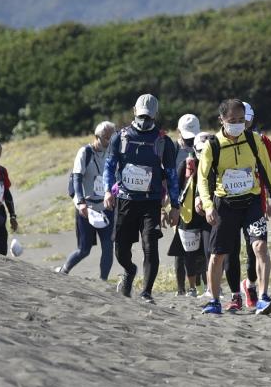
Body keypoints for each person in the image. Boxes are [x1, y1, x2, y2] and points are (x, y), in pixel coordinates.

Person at [197, 98, 271, 315]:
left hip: (251, 202)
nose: (237, 124)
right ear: (222, 120)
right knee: (218, 255)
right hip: (224, 204)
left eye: (241, 119)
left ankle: (263, 297)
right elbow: (203, 178)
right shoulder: (213, 146)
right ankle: (214, 300)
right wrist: (208, 206)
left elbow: (267, 170)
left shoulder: (255, 140)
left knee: (260, 248)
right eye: (232, 120)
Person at [103, 94, 180, 303]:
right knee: (120, 248)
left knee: (150, 245)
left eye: (149, 116)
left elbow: (172, 174)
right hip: (125, 200)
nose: (145, 119)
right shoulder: (120, 137)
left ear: (155, 115)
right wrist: (108, 191)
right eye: (142, 114)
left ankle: (146, 292)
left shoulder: (163, 141)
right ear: (134, 111)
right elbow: (109, 167)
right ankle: (129, 270)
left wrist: (175, 205)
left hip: (151, 202)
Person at [58, 121, 117, 279]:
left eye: (112, 138)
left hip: (105, 207)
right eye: (106, 138)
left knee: (108, 246)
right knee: (84, 250)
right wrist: (80, 203)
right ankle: (64, 271)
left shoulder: (112, 152)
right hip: (87, 209)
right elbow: (76, 178)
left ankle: (103, 281)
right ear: (97, 137)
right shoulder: (85, 152)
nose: (109, 142)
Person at [165, 114, 207, 295]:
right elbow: (166, 177)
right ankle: (182, 289)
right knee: (182, 248)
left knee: (202, 248)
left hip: (201, 203)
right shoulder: (173, 149)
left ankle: (202, 285)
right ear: (178, 132)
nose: (190, 141)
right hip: (180, 205)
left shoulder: (203, 145)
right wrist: (167, 204)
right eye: (187, 136)